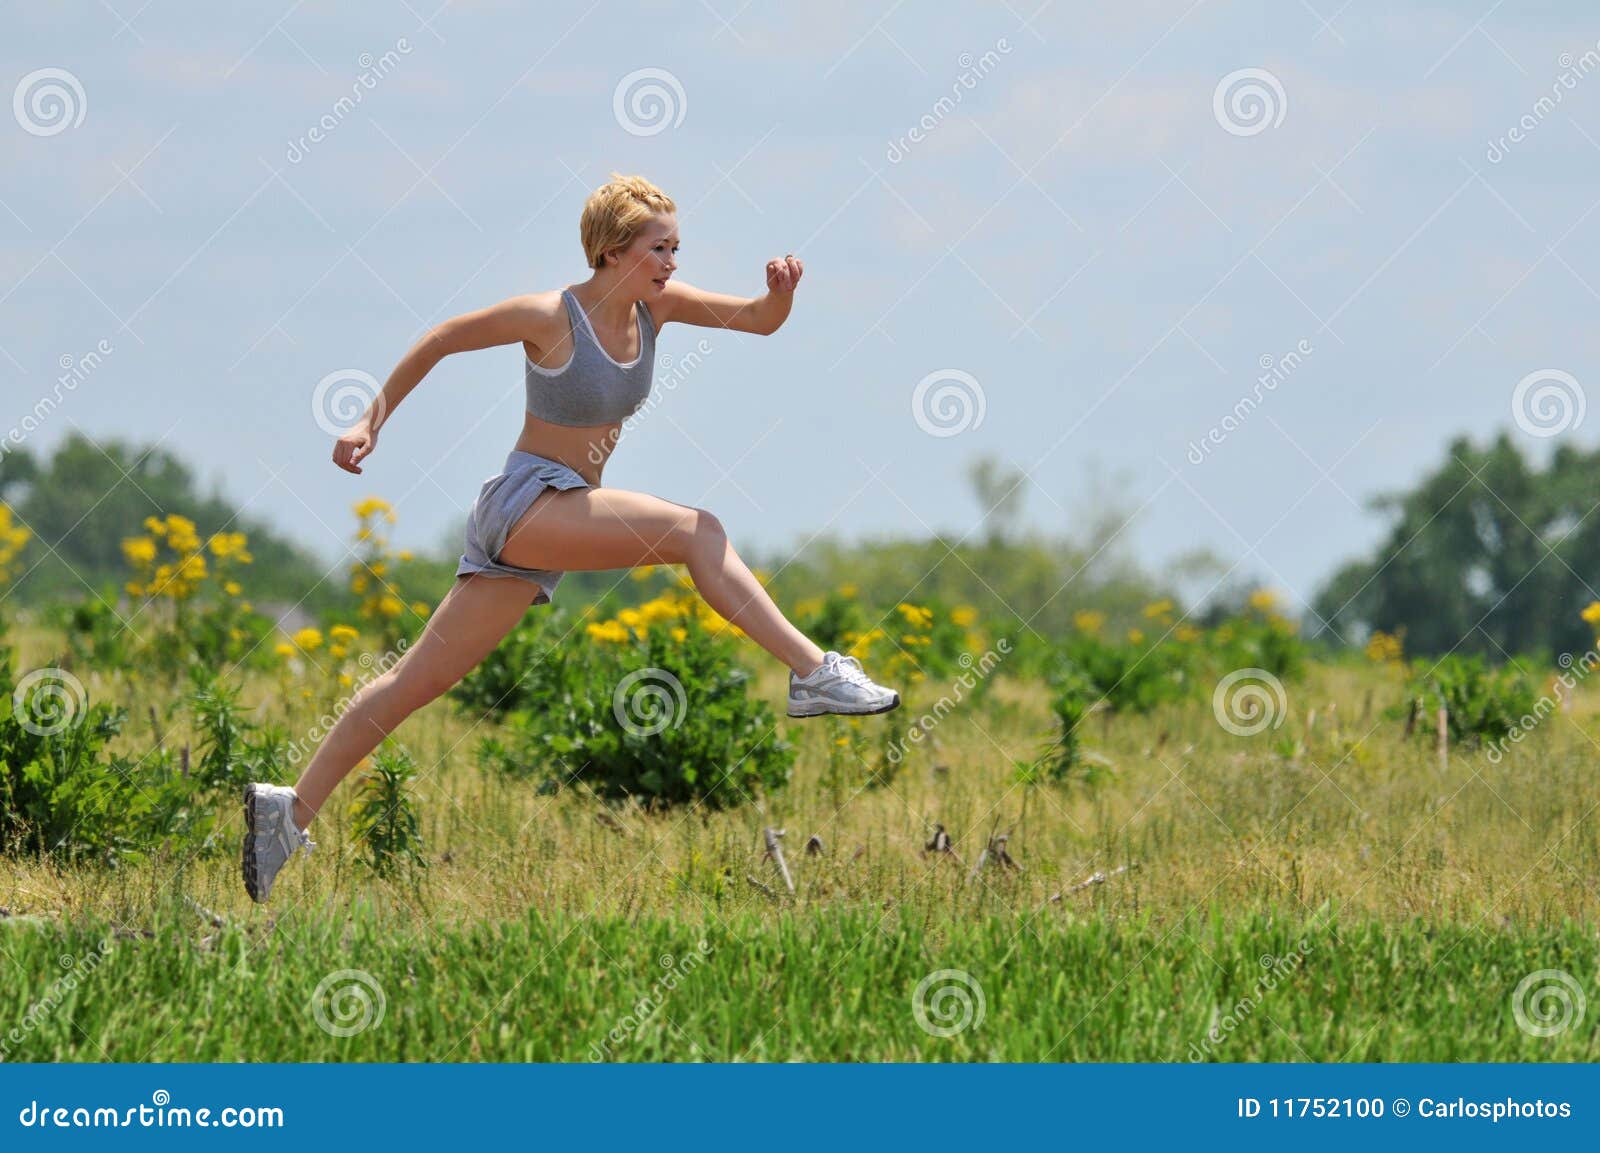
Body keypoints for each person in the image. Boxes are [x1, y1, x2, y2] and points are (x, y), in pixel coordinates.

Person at [242, 173, 900, 903]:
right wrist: (370, 419)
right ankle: (814, 672)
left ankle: (287, 812)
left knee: (416, 683)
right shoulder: (551, 316)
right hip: (529, 501)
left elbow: (757, 319)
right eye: (660, 247)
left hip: (560, 513)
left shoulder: (659, 308)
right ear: (614, 250)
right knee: (697, 532)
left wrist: (780, 293)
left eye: (676, 247)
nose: (673, 262)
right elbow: (442, 339)